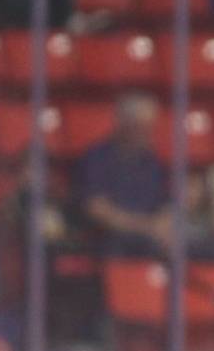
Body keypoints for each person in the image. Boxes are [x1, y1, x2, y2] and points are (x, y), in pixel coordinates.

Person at [73, 92, 172, 258]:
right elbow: (97, 209)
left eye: (149, 127)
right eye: (140, 126)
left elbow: (165, 205)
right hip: (110, 238)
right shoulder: (97, 158)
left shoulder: (152, 161)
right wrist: (144, 227)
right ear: (123, 124)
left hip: (149, 237)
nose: (146, 133)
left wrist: (163, 226)